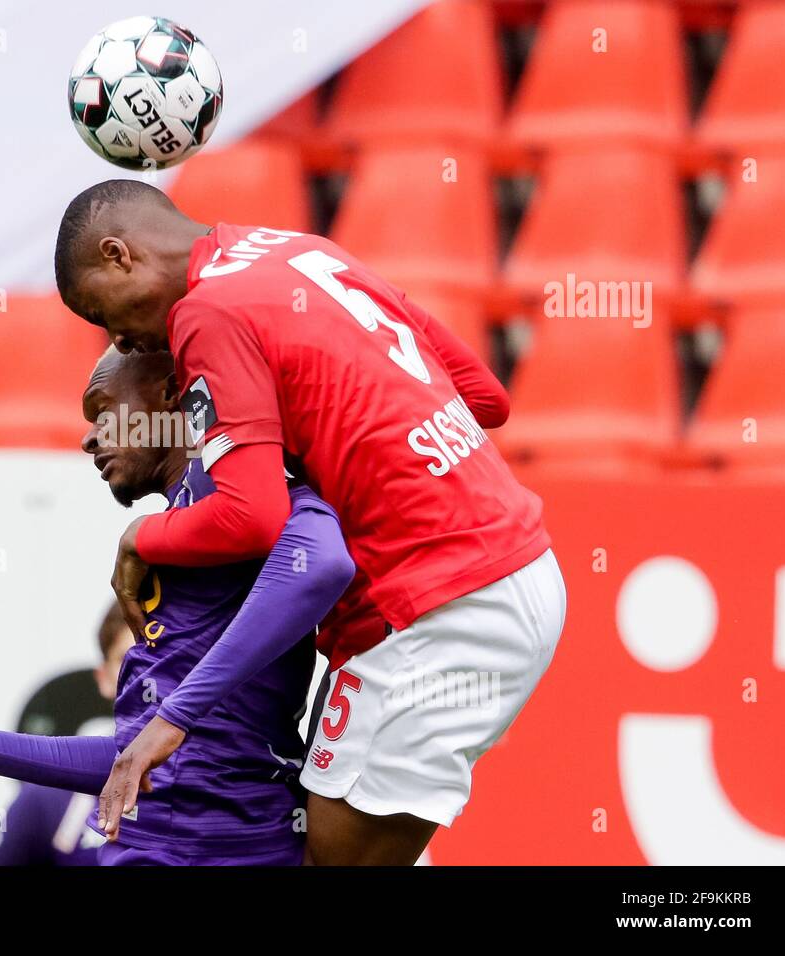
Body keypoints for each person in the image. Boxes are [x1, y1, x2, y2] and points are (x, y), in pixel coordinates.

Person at [53, 179, 567, 865]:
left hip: (432, 608)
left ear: (119, 254)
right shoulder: (300, 253)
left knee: (323, 860)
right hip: (521, 568)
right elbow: (484, 397)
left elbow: (252, 516)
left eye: (103, 313)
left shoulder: (205, 312)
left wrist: (138, 538)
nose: (121, 338)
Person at [0, 348, 355, 865]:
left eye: (104, 410)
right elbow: (143, 756)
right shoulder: (186, 525)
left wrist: (174, 716)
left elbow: (322, 562)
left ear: (169, 393)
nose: (89, 437)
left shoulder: (241, 496)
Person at [0, 603, 133, 866]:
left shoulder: (222, 782)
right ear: (103, 679)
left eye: (158, 658)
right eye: (127, 659)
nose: (145, 674)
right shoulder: (47, 799)